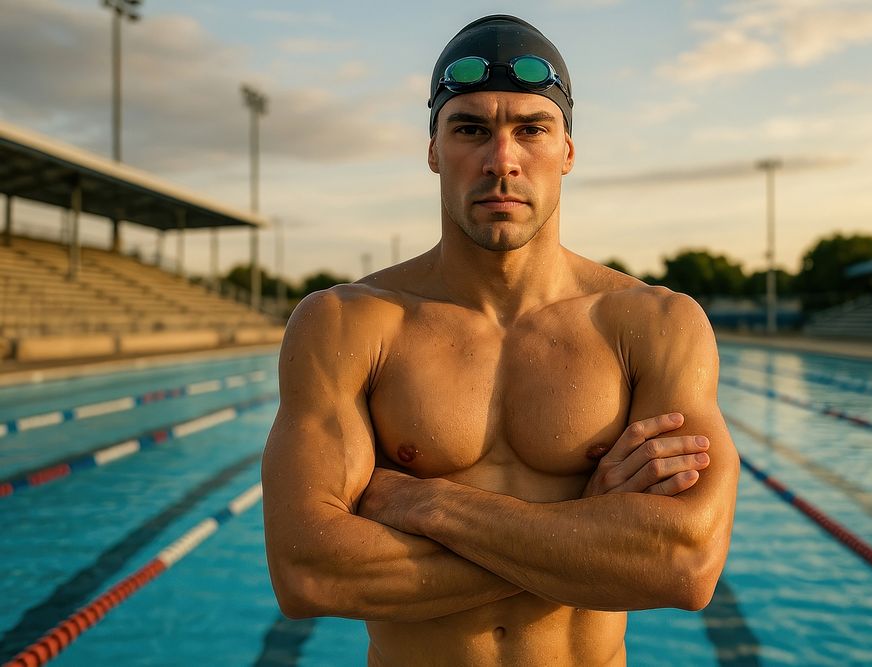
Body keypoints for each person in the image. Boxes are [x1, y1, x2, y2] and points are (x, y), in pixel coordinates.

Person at [262, 14, 739, 666]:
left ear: (567, 150)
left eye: (531, 129)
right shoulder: (346, 324)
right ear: (433, 149)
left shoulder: (652, 325)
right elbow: (308, 571)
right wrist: (589, 530)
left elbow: (685, 564)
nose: (501, 160)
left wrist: (430, 501)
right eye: (470, 129)